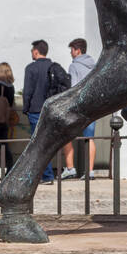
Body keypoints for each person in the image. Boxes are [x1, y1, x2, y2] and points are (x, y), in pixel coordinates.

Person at [22, 40, 69, 183]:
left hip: (36, 110)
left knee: (38, 144)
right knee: (46, 143)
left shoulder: (31, 68)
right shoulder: (53, 67)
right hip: (51, 109)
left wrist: (25, 108)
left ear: (36, 51)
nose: (31, 53)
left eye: (32, 51)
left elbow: (28, 91)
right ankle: (46, 174)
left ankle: (46, 175)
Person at [61, 38, 97, 180]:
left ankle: (70, 168)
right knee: (90, 138)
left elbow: (74, 88)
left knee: (66, 135)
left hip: (78, 108)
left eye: (72, 50)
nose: (71, 53)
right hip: (93, 106)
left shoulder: (74, 66)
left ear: (78, 50)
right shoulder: (94, 65)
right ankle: (90, 171)